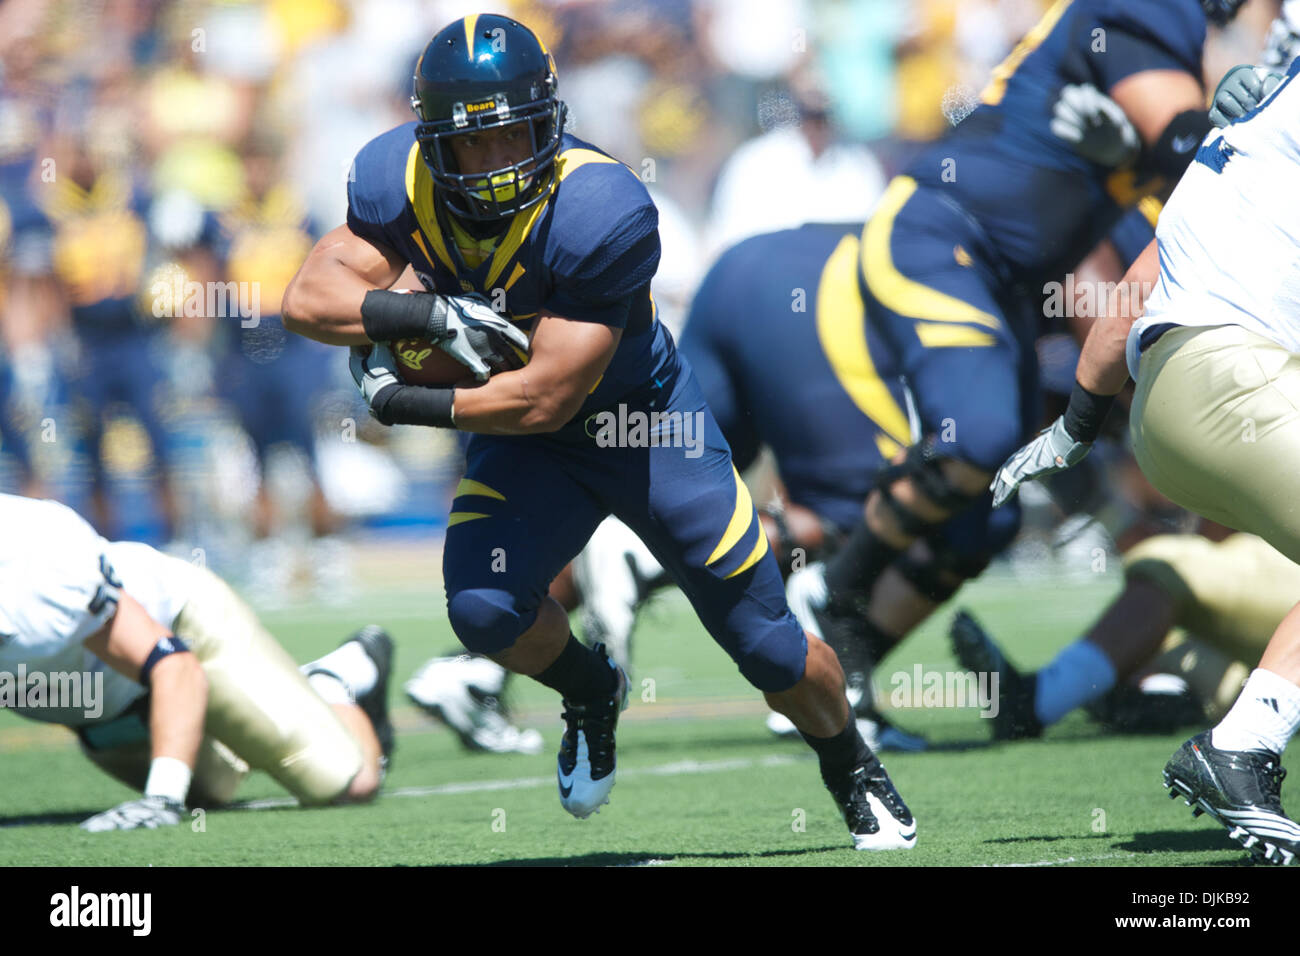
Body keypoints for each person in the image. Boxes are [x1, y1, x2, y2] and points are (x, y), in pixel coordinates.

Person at [281, 14, 914, 850]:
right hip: (530, 444)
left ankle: (848, 759)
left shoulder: (600, 206)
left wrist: (410, 403)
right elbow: (304, 299)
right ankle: (591, 687)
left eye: (510, 137)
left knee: (767, 649)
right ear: (431, 142)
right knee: (483, 610)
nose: (494, 163)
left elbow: (545, 395)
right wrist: (425, 310)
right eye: (469, 146)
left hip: (643, 431)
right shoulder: (395, 176)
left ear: (548, 122)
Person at [789, 0, 1248, 707]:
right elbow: (1188, 143)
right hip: (942, 237)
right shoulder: (1146, 9)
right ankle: (830, 590)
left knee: (988, 515)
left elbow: (1175, 166)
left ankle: (841, 685)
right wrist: (1231, 131)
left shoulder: (1152, 37)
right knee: (977, 439)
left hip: (1004, 281)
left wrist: (1142, 158)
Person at [991, 54, 1300, 865]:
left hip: (1164, 408)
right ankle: (1240, 747)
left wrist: (1076, 427)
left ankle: (1243, 737)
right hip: (1238, 376)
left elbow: (1138, 283)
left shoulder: (1238, 144)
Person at [0, 493, 394, 830]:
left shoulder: (37, 562)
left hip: (188, 640)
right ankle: (280, 698)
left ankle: (330, 680)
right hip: (102, 710)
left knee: (344, 780)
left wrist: (162, 800)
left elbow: (172, 664)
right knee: (213, 793)